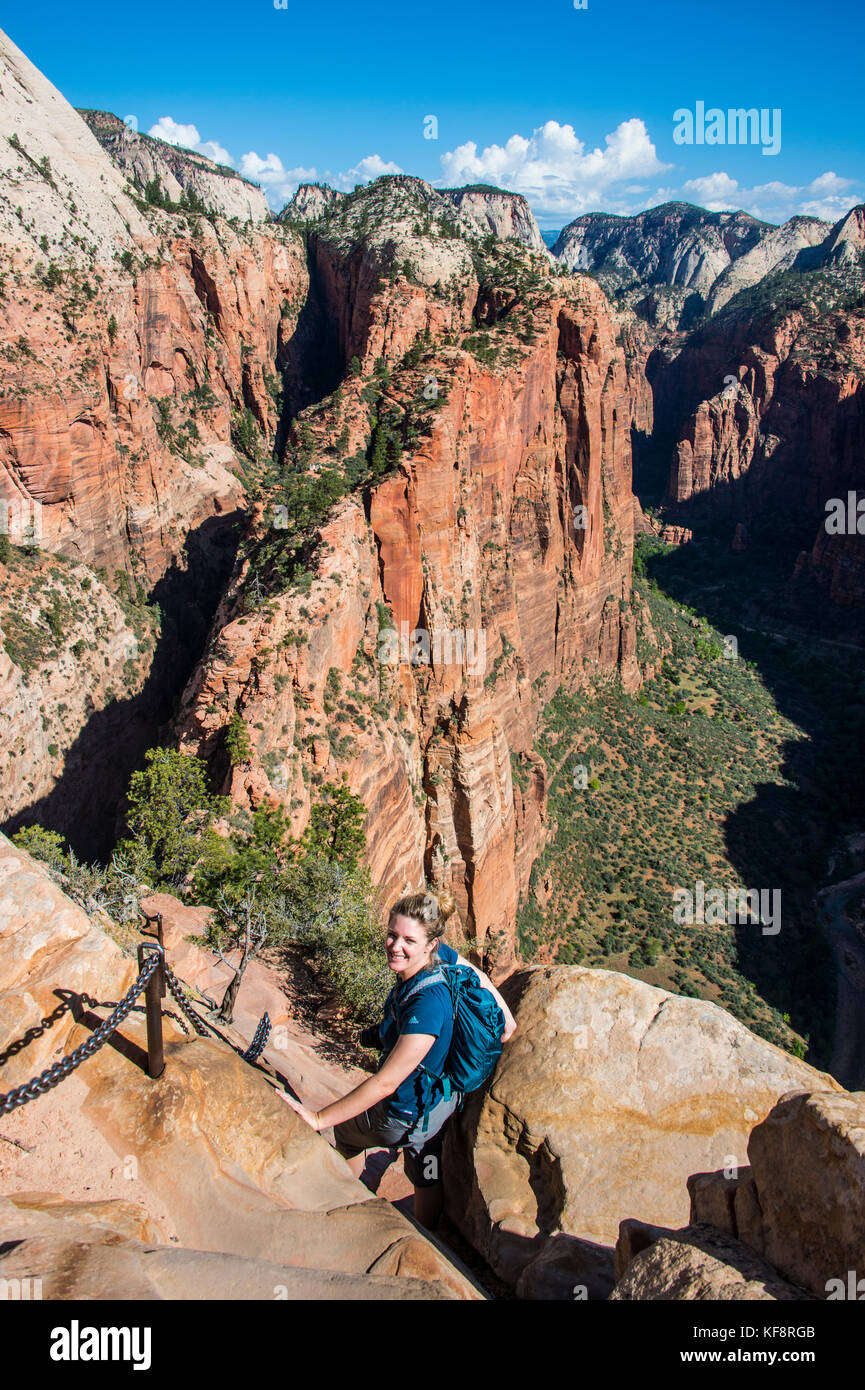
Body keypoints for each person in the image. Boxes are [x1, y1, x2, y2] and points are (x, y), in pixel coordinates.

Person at [280, 890, 517, 1229]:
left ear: (429, 945)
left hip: (401, 1111)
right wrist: (506, 1021)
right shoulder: (441, 959)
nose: (395, 946)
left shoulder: (428, 1004)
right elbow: (487, 996)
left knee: (347, 1135)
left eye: (408, 939)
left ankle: (349, 1207)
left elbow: (386, 1082)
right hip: (439, 1104)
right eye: (392, 934)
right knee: (426, 1171)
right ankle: (426, 1235)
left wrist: (319, 1119)